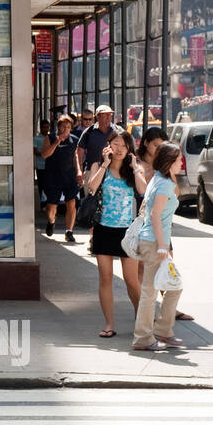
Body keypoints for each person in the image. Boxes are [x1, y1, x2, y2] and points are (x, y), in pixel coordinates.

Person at [83, 131, 145, 338]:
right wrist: (104, 164)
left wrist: (136, 168)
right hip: (103, 229)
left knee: (131, 280)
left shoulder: (134, 170)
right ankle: (109, 324)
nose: (118, 148)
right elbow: (91, 187)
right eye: (115, 144)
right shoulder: (98, 166)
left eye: (123, 145)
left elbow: (144, 191)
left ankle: (141, 318)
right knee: (105, 278)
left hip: (127, 232)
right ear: (107, 146)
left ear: (129, 150)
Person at [132, 143, 186, 351]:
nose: (182, 162)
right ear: (169, 162)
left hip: (154, 241)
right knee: (151, 291)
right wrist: (163, 245)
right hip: (155, 242)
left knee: (173, 285)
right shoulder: (163, 184)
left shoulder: (160, 179)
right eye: (179, 159)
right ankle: (143, 339)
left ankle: (162, 330)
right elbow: (154, 213)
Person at [39, 115, 81, 242]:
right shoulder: (50, 138)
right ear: (58, 127)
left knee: (71, 203)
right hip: (53, 176)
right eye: (63, 127)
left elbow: (75, 156)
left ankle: (69, 231)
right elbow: (45, 155)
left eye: (69, 127)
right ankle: (51, 222)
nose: (66, 130)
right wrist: (57, 142)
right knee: (51, 207)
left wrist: (79, 171)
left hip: (69, 176)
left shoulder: (74, 140)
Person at [77, 104, 120, 172]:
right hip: (91, 172)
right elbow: (79, 153)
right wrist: (79, 170)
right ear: (97, 117)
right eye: (105, 115)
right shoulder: (89, 132)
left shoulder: (118, 131)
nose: (108, 117)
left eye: (110, 115)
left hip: (112, 173)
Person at [33, 119, 51, 207]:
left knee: (49, 185)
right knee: (41, 185)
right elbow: (35, 151)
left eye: (47, 127)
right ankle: (42, 205)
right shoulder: (36, 138)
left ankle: (48, 203)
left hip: (49, 166)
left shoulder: (51, 137)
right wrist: (45, 153)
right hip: (40, 166)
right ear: (41, 128)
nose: (46, 129)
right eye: (44, 127)